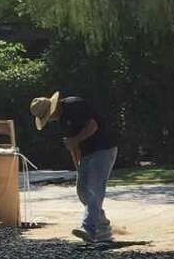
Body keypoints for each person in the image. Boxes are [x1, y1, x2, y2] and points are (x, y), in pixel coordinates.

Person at [31, 91, 118, 244]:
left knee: (95, 189)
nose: (49, 120)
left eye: (48, 116)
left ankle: (88, 228)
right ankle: (104, 229)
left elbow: (92, 126)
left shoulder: (74, 105)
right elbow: (73, 146)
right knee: (83, 191)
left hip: (104, 148)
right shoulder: (62, 121)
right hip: (87, 153)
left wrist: (75, 140)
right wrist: (78, 166)